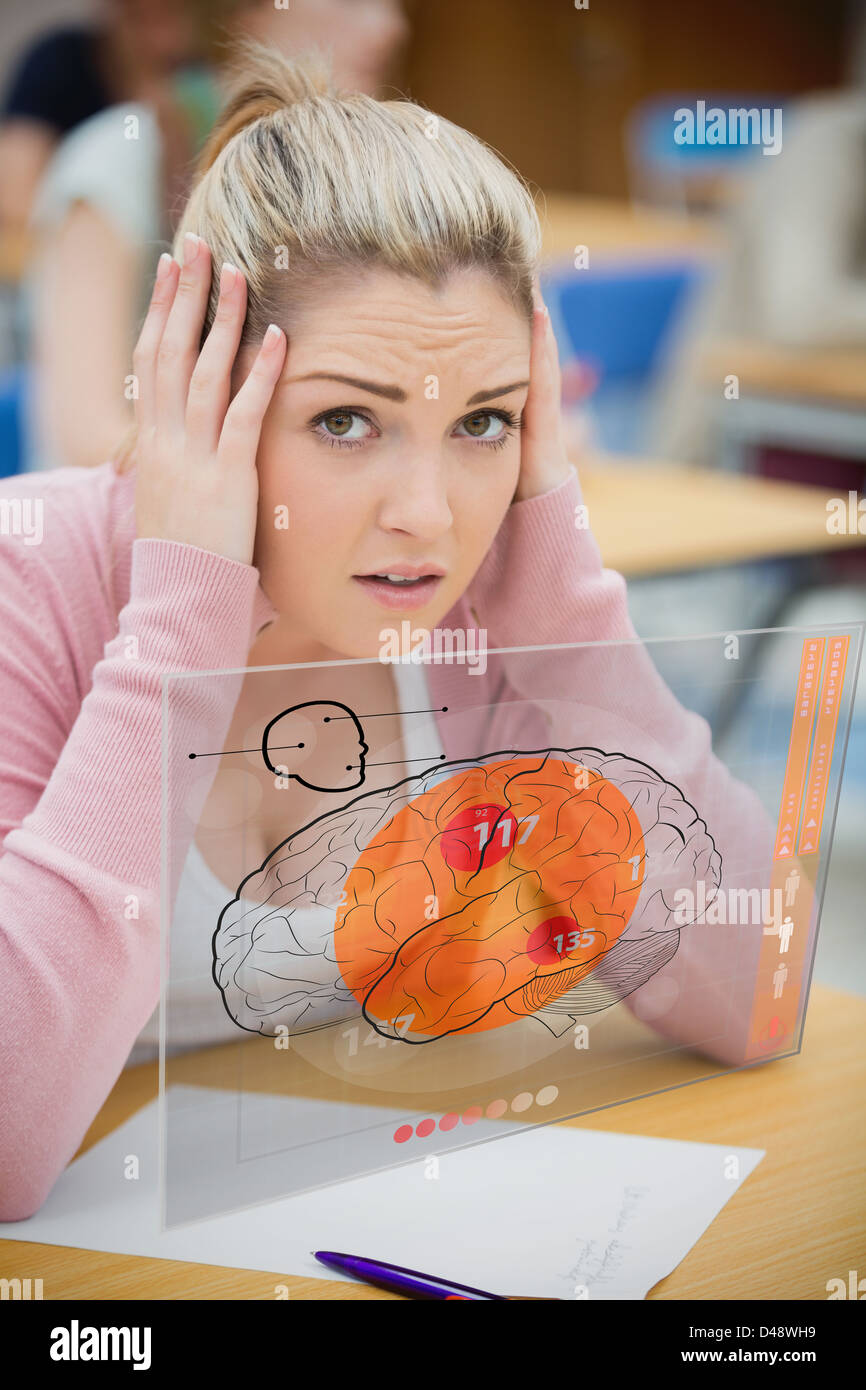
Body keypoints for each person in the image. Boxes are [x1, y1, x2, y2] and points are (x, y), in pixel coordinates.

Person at [0, 42, 775, 1222]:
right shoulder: (29, 583)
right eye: (347, 421)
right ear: (201, 392)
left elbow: (756, 990)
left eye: (480, 422)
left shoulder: (488, 611)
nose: (427, 515)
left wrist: (569, 624)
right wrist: (180, 626)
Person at [21, 0, 409, 471]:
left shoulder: (349, 178)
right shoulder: (115, 162)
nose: (391, 27)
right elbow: (87, 436)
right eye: (352, 2)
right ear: (248, 12)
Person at [0, 0, 198, 245]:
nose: (160, 39)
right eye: (141, 19)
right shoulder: (58, 63)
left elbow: (178, 208)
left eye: (170, 17)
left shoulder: (193, 81)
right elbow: (15, 201)